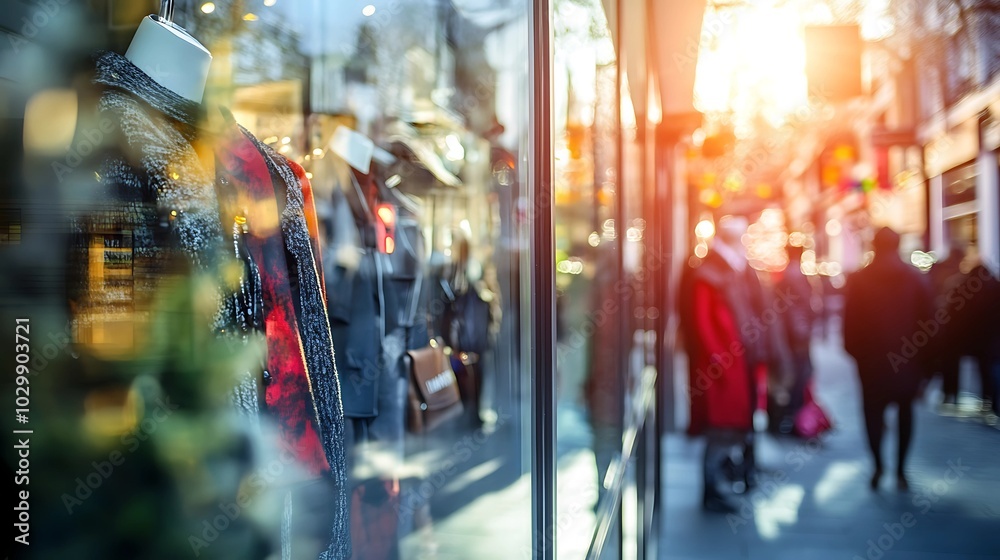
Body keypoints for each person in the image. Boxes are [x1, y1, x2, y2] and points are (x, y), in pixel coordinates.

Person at [681, 215, 769, 512]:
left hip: (735, 362)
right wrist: (718, 358)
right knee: (720, 428)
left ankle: (725, 480)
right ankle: (713, 488)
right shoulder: (708, 274)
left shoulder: (732, 270)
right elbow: (703, 324)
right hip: (723, 367)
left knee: (732, 427)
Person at [843, 227, 934, 491]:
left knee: (872, 415)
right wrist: (926, 366)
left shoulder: (860, 280)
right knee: (906, 414)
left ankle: (878, 465)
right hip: (908, 364)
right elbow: (929, 324)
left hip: (872, 366)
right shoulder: (916, 279)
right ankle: (901, 469)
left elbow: (850, 327)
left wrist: (860, 357)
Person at [771, 243, 816, 435]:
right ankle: (792, 419)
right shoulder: (796, 277)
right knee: (796, 378)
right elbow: (800, 311)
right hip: (795, 339)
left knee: (790, 378)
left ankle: (787, 418)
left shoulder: (786, 277)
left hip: (790, 337)